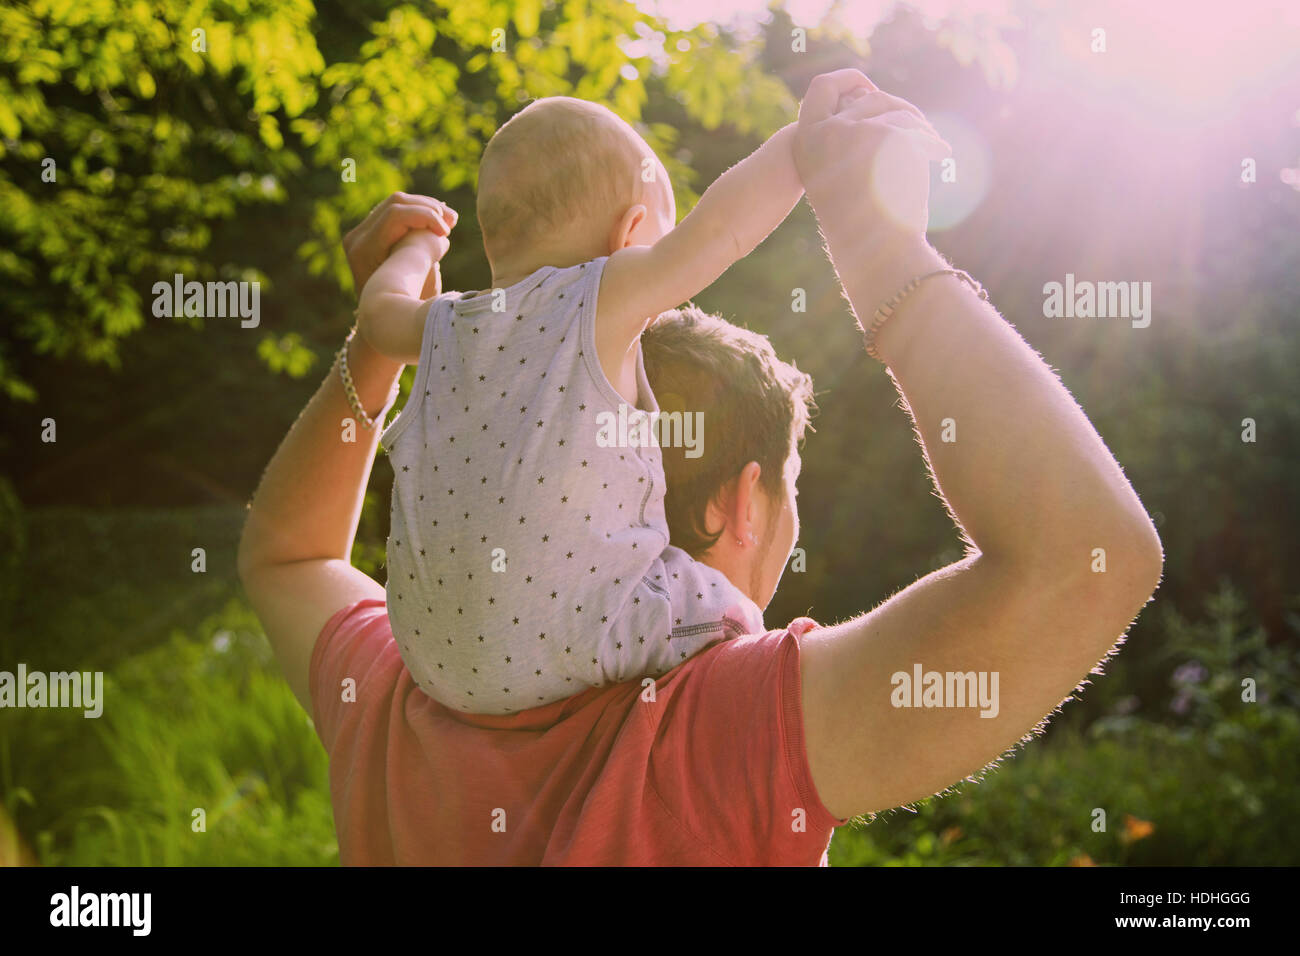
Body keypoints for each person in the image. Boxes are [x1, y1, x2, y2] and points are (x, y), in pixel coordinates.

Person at [237, 70, 1163, 865]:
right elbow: (1084, 560)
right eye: (792, 484)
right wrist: (876, 234)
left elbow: (286, 554)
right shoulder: (722, 731)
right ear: (739, 504)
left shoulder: (396, 696)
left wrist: (388, 317)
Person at [353, 95, 807, 713]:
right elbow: (723, 229)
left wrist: (416, 250)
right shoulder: (602, 292)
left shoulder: (440, 326)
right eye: (659, 248)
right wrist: (803, 145)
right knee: (731, 609)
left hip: (431, 659)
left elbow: (376, 316)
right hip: (577, 639)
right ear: (628, 237)